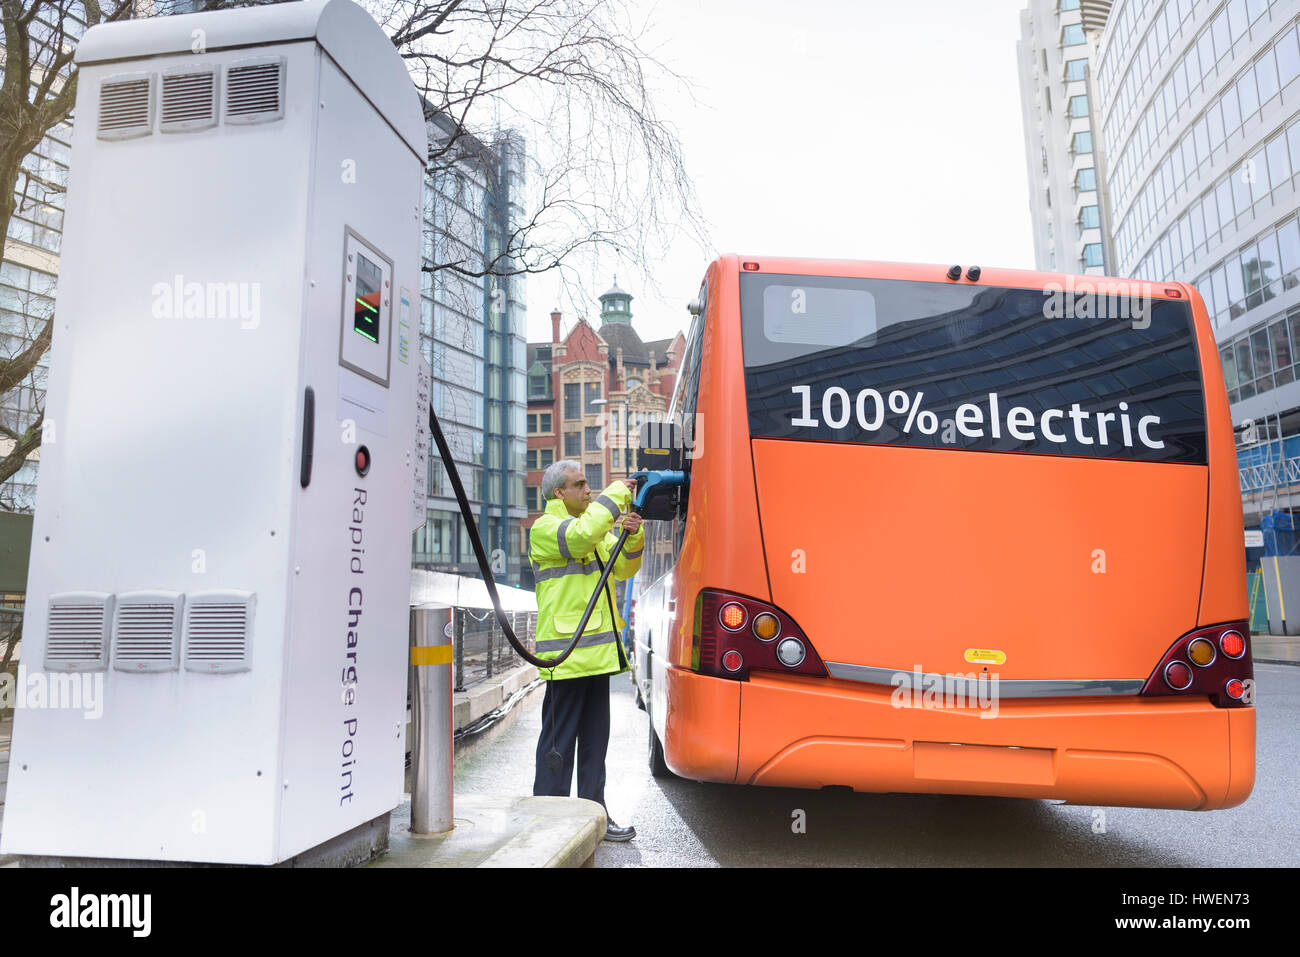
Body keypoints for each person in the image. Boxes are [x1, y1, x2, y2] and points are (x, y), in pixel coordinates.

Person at [529, 459, 645, 842]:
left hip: (594, 658)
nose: (588, 490)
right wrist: (616, 493)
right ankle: (549, 821)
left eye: (588, 485)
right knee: (558, 747)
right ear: (559, 493)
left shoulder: (593, 531)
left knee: (596, 745)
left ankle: (595, 815)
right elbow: (579, 537)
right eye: (579, 485)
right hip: (565, 660)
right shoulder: (546, 529)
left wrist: (631, 537)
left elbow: (624, 568)